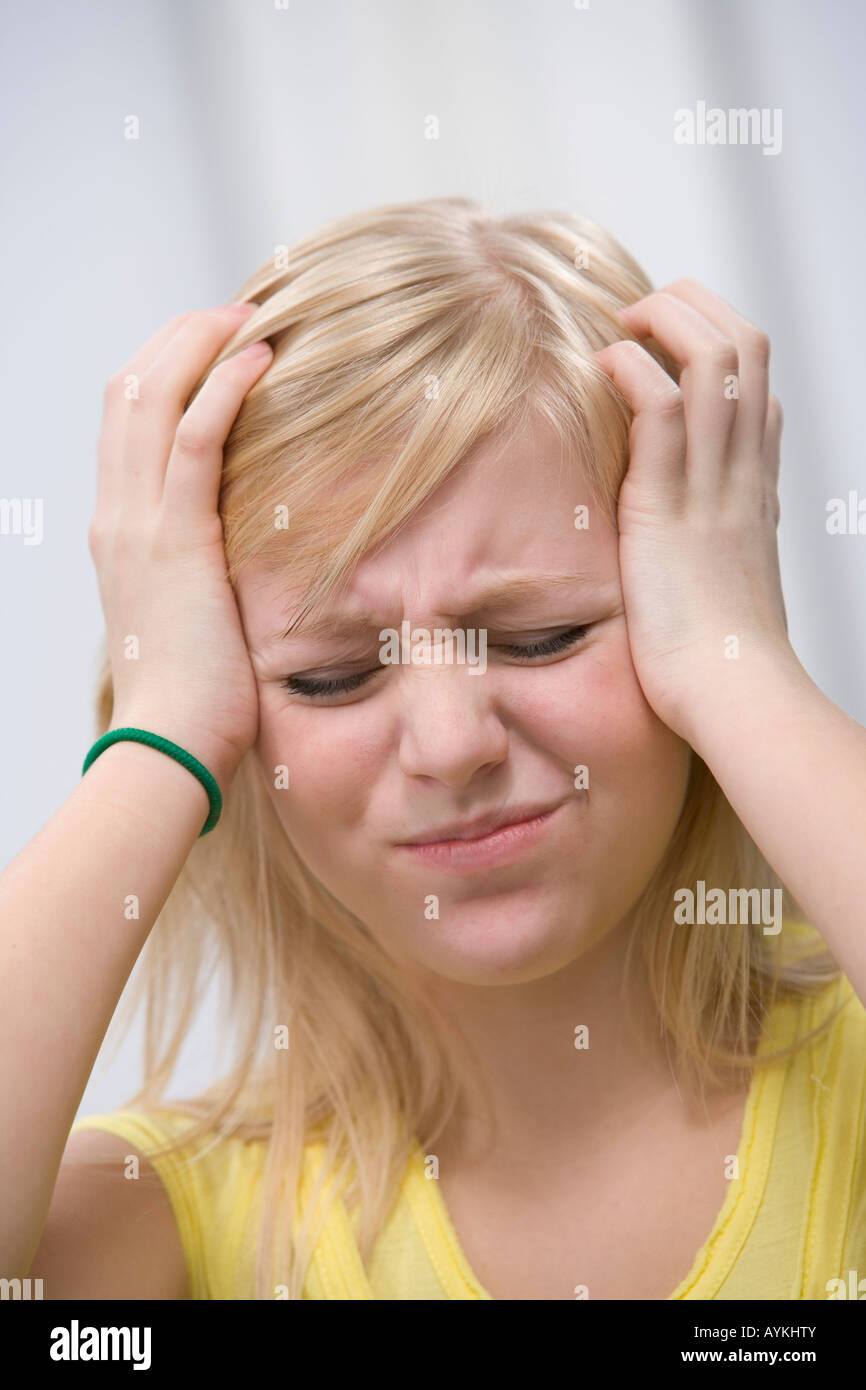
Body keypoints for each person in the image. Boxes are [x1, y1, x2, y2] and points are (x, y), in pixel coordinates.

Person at [2, 196, 864, 1301]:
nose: (452, 744)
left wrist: (738, 662)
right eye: (330, 675)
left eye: (541, 637)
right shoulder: (186, 1225)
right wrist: (160, 728)